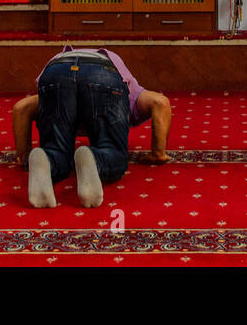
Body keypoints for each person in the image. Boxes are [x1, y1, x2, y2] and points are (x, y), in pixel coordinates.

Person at [11, 46, 172, 208]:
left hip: (56, 71)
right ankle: (96, 159)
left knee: (56, 151)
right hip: (103, 72)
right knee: (111, 150)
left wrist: (23, 155)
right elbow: (160, 102)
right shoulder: (134, 93)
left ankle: (46, 158)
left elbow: (21, 108)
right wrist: (158, 153)